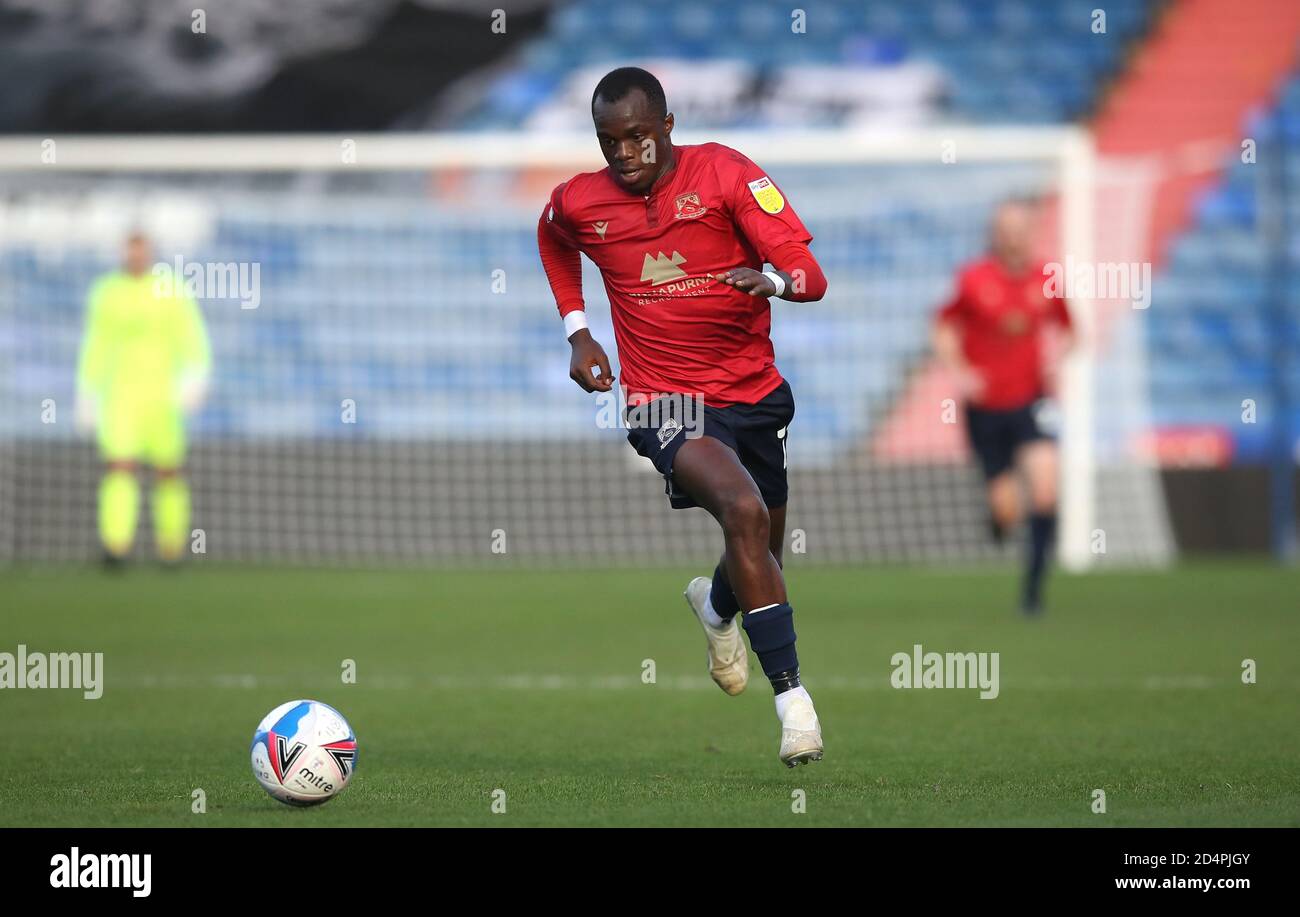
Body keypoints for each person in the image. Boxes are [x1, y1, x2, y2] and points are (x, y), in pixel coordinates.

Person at [537, 67, 829, 766]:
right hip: (662, 398)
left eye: (639, 137)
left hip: (752, 392)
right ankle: (794, 704)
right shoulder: (581, 200)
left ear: (667, 127)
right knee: (743, 511)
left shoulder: (725, 174)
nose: (626, 154)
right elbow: (552, 235)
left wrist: (776, 281)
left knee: (761, 542)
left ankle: (717, 607)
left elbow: (809, 272)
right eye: (611, 141)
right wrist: (578, 330)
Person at [932, 199, 1074, 615]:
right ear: (994, 233)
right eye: (1003, 227)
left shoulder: (1046, 277)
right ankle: (998, 521)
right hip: (986, 408)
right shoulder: (973, 278)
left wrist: (1057, 357)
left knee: (1046, 491)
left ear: (1031, 231)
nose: (1011, 234)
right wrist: (960, 370)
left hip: (1034, 401)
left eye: (1018, 226)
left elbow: (1068, 329)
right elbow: (943, 325)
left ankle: (1033, 593)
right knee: (1007, 511)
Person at [76, 231, 211, 565]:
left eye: (141, 251)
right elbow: (96, 344)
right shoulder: (106, 292)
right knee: (120, 468)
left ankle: (172, 545)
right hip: (120, 396)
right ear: (123, 253)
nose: (136, 257)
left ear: (150, 253)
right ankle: (116, 545)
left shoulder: (172, 289)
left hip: (164, 396)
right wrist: (87, 392)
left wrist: (196, 376)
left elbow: (192, 335)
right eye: (130, 251)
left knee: (169, 471)